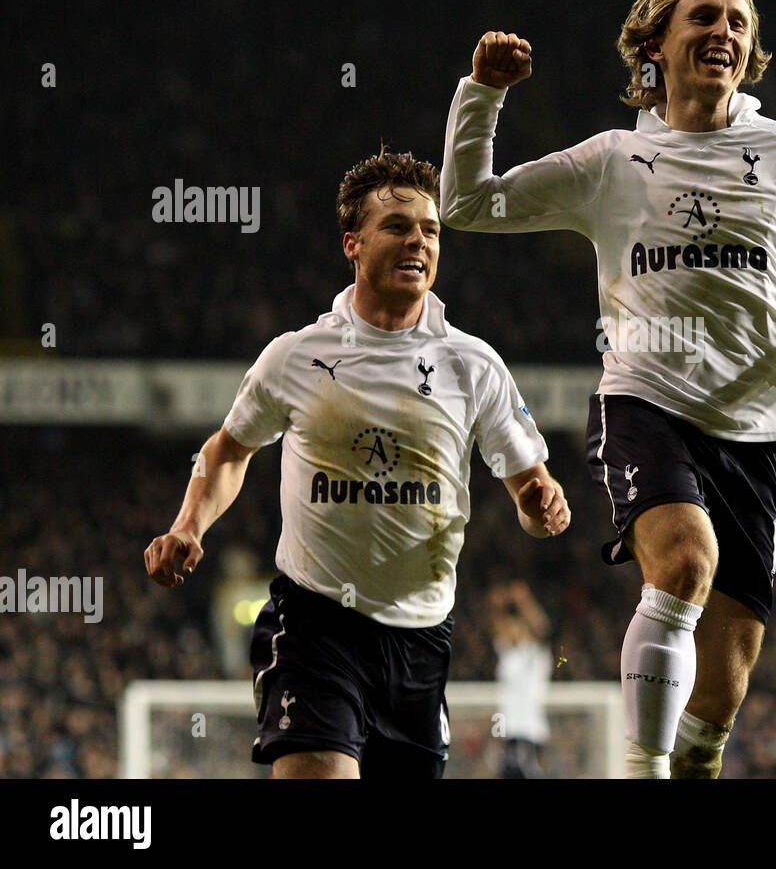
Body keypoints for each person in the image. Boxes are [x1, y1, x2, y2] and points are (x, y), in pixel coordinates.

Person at [440, 0, 776, 778]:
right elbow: (468, 203)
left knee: (722, 691)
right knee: (685, 562)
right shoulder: (613, 161)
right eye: (704, 17)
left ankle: (685, 766)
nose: (723, 31)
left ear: (752, 48)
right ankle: (642, 771)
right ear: (655, 43)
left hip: (753, 429)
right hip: (643, 402)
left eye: (738, 21)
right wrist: (482, 93)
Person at [144, 149, 570, 779]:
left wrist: (542, 506)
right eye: (396, 227)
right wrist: (188, 525)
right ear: (353, 243)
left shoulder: (472, 364)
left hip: (422, 639)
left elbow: (532, 497)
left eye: (429, 230)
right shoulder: (296, 356)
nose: (417, 242)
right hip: (316, 626)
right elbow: (227, 451)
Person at [488, 580, 552, 778]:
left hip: (528, 731)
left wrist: (525, 602)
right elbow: (497, 629)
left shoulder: (535, 654)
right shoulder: (507, 656)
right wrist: (496, 607)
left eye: (516, 626)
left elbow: (543, 629)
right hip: (506, 731)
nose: (510, 629)